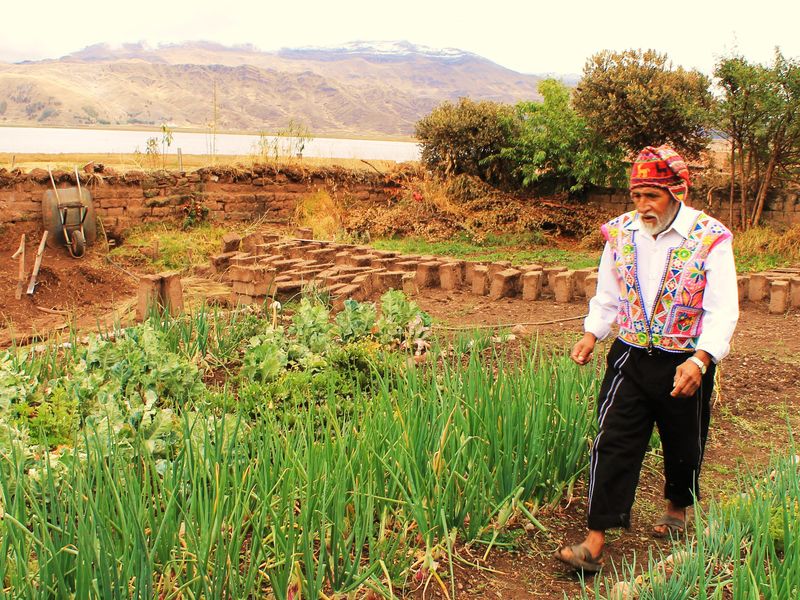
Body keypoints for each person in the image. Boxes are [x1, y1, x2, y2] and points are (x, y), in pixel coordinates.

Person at [555, 145, 739, 572]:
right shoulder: (620, 233)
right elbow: (608, 292)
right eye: (637, 196)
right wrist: (591, 333)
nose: (642, 206)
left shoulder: (709, 237)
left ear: (677, 192)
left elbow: (722, 307)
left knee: (683, 441)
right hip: (631, 355)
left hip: (683, 361)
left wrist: (702, 359)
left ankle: (677, 507)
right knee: (612, 440)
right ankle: (595, 541)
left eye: (651, 196)